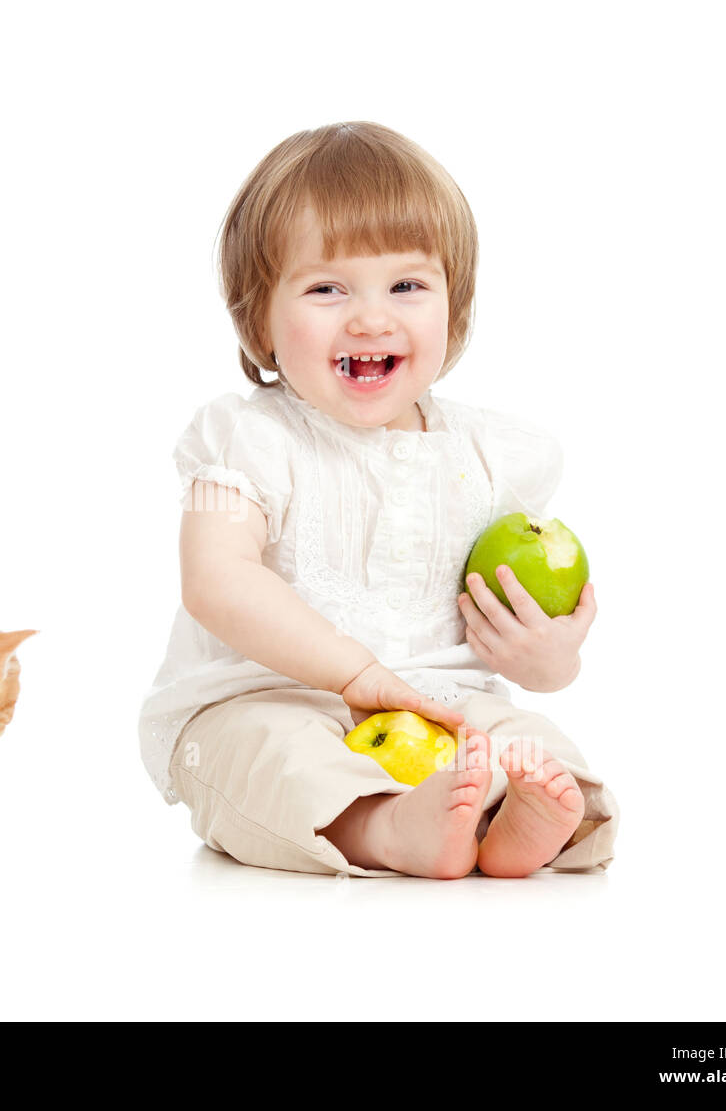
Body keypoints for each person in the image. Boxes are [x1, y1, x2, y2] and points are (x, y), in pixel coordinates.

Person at [137, 121, 618, 878]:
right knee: (277, 761)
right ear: (258, 315)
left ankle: (515, 824)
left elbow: (515, 630)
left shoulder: (493, 457)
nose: (370, 317)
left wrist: (550, 660)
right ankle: (390, 828)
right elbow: (216, 580)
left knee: (531, 741)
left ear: (453, 308)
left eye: (407, 286)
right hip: (268, 699)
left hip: (441, 704)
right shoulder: (244, 439)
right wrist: (354, 676)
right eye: (327, 288)